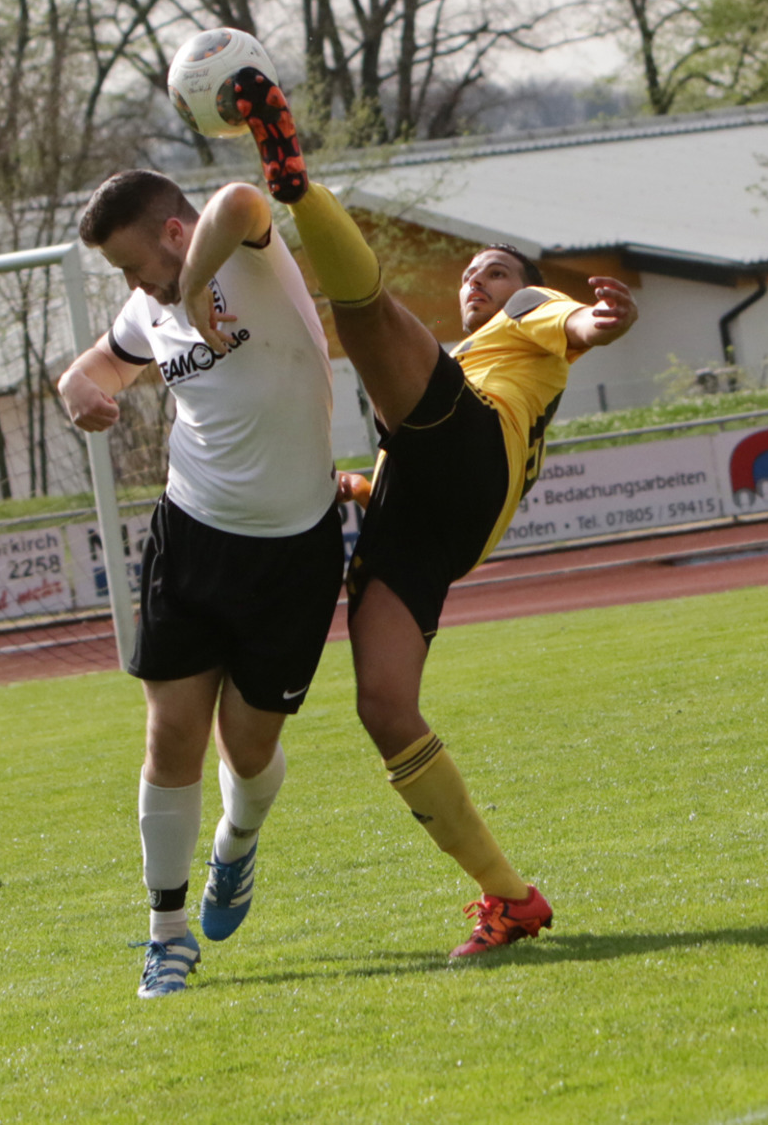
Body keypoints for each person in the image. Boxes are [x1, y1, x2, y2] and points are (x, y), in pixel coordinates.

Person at [212, 66, 639, 957]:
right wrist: (360, 489)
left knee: (365, 319)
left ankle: (297, 184)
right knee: (384, 709)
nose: (480, 283)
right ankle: (509, 897)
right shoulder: (454, 354)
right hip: (424, 526)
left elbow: (575, 326)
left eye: (492, 271)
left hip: (470, 454)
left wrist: (605, 321)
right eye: (475, 276)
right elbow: (401, 459)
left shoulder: (522, 314)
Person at [58, 170, 344, 998]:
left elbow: (242, 200)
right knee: (173, 733)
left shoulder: (247, 256)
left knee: (248, 750)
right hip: (191, 534)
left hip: (294, 550)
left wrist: (190, 287)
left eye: (130, 262)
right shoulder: (148, 305)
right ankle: (166, 933)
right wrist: (77, 386)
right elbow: (102, 367)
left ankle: (237, 845)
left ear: (174, 234)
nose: (131, 284)